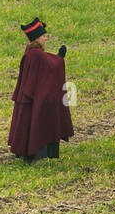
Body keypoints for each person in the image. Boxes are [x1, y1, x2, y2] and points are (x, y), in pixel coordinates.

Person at [7, 18, 74, 161]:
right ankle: (35, 152)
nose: (45, 39)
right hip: (34, 98)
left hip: (26, 97)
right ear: (36, 39)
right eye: (43, 36)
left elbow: (47, 64)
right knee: (35, 122)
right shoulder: (36, 54)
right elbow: (51, 67)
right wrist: (60, 58)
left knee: (26, 123)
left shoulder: (30, 53)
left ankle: (25, 150)